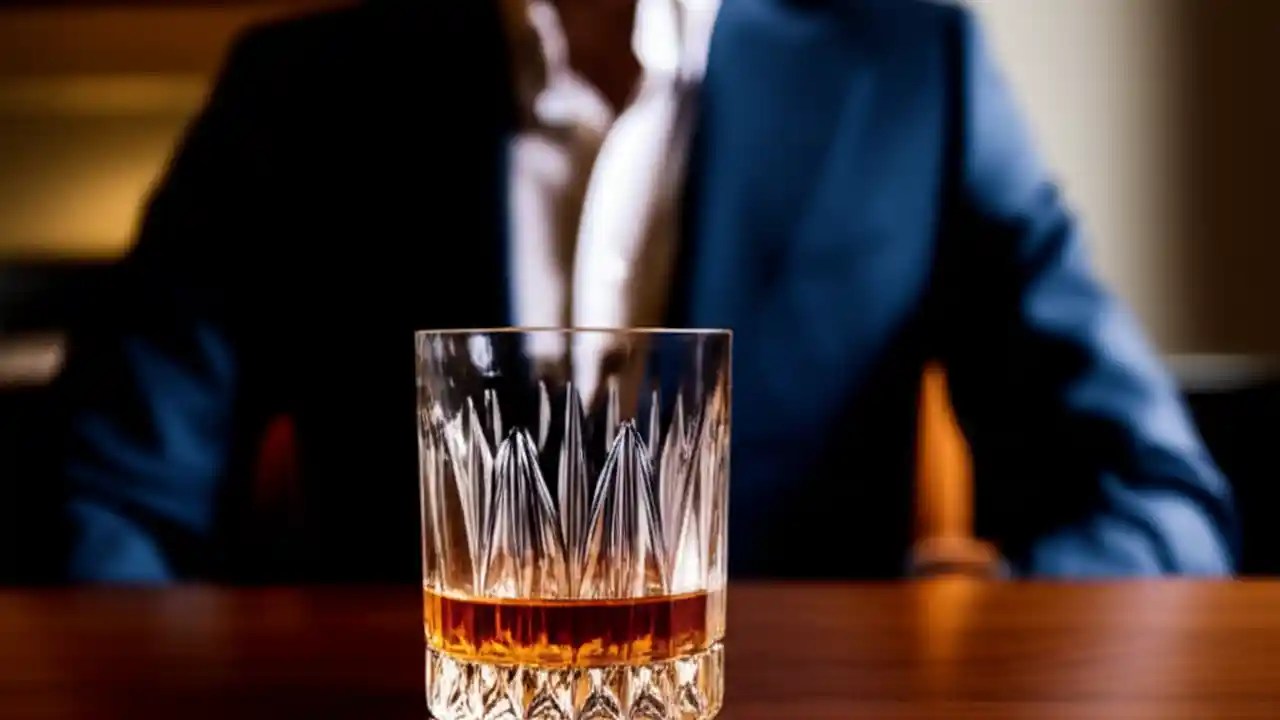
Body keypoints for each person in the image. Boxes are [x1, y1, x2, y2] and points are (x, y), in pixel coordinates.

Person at [55, 0, 1236, 583]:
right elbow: (96, 501)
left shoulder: (916, 75)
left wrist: (970, 639)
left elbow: (1155, 501)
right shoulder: (301, 90)